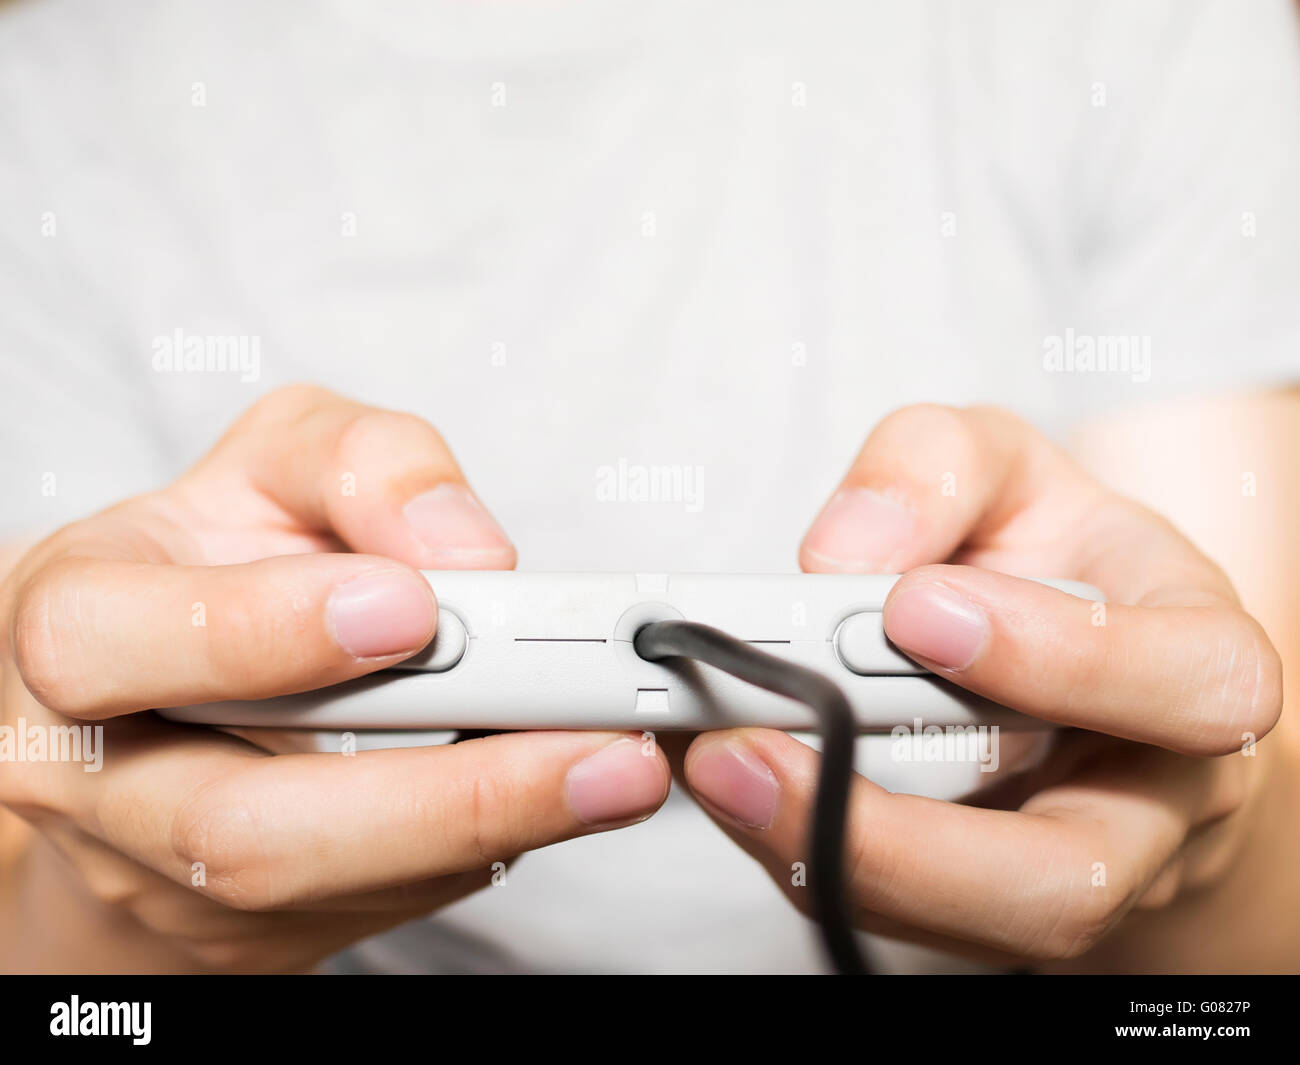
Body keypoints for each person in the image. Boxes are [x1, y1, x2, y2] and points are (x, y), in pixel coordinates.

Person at [1, 0, 1298, 974]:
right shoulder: (54, 98)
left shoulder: (1147, 31)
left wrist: (1189, 851)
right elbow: (49, 951)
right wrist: (145, 920)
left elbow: (1239, 929)